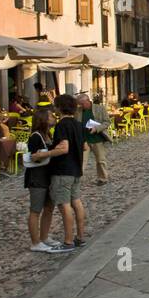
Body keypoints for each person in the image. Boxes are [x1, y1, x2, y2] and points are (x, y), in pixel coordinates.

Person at [42, 94, 86, 251]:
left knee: (64, 205)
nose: (54, 109)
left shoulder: (62, 125)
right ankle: (80, 237)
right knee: (77, 203)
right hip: (76, 169)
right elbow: (85, 146)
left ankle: (68, 241)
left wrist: (44, 154)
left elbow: (64, 148)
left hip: (63, 170)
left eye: (55, 106)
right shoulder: (78, 124)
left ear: (60, 108)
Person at [24, 109, 60, 252]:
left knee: (49, 208)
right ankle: (35, 242)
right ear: (43, 119)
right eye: (50, 115)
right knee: (35, 210)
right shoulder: (35, 136)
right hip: (37, 177)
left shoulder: (48, 134)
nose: (53, 117)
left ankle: (44, 237)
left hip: (48, 175)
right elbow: (35, 157)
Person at [79, 93, 111, 185]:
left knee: (100, 160)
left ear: (87, 101)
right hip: (84, 140)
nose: (80, 106)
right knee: (81, 161)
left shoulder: (100, 108)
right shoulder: (78, 111)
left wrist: (96, 128)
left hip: (97, 139)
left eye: (81, 104)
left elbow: (107, 122)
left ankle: (102, 178)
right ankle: (77, 180)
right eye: (79, 104)